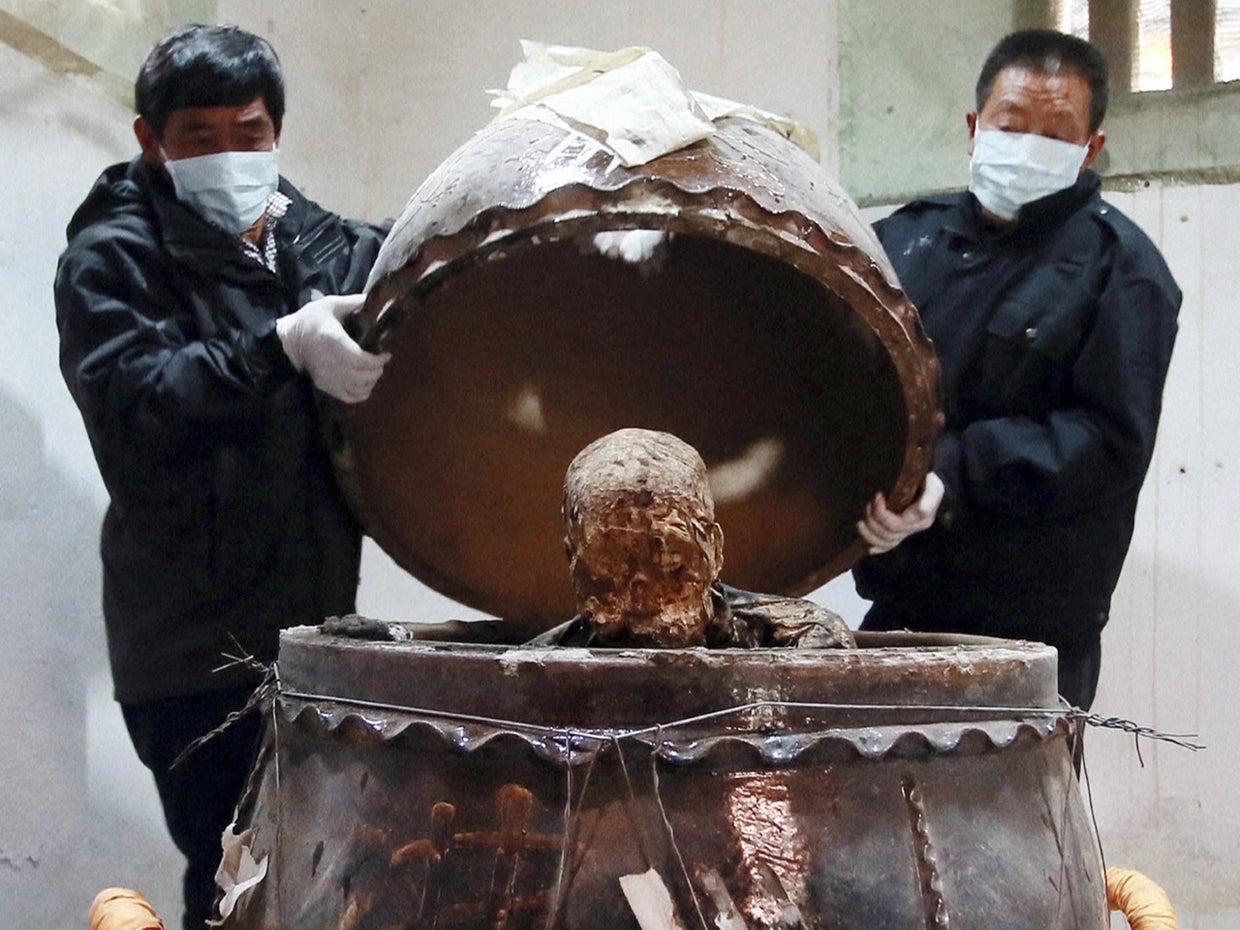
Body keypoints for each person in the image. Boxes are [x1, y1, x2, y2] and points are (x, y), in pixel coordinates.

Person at [55, 25, 390, 929]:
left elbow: (408, 269)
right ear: (149, 139)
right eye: (199, 136)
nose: (231, 154)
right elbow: (137, 400)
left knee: (319, 878)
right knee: (237, 875)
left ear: (277, 129)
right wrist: (280, 347)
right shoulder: (114, 256)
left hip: (309, 623)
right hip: (192, 645)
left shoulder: (306, 241)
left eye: (250, 132)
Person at [852, 29, 1180, 710]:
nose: (1030, 145)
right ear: (975, 128)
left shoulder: (1123, 271)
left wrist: (950, 475)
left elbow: (1107, 441)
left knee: (1000, 814)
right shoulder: (901, 242)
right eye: (1011, 125)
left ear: (1092, 148)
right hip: (901, 607)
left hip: (1031, 638)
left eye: (1057, 133)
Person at [529, 428, 854, 649]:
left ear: (714, 549)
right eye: (611, 564)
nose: (642, 598)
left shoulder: (804, 643)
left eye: (669, 562)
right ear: (572, 559)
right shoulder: (533, 675)